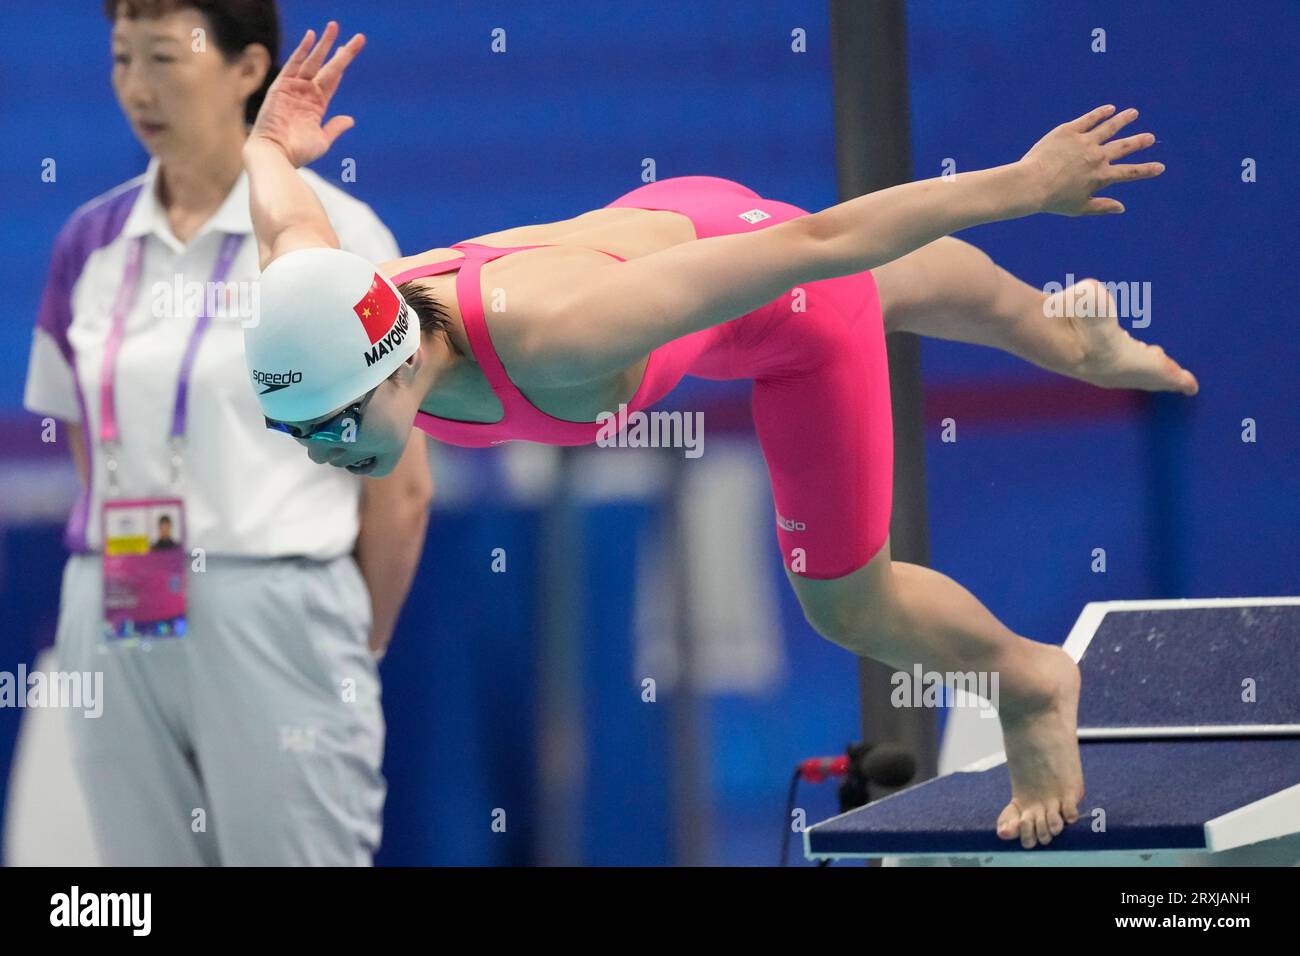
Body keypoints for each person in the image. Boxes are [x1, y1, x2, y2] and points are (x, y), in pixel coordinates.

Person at [245, 24, 1198, 850]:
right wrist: (271, 144)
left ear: (402, 363)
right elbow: (285, 211)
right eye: (298, 430)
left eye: (334, 425)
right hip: (676, 232)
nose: (321, 450)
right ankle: (1062, 329)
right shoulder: (325, 297)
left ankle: (1027, 679)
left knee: (847, 601)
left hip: (777, 304)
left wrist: (1022, 185)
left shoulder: (561, 332)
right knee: (901, 291)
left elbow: (818, 246)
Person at [22, 3, 433, 865]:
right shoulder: (87, 244)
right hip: (116, 602)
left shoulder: (337, 238)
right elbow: (88, 448)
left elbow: (400, 484)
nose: (138, 87)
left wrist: (351, 644)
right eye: (122, 58)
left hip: (279, 605)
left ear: (249, 70)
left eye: (165, 58)